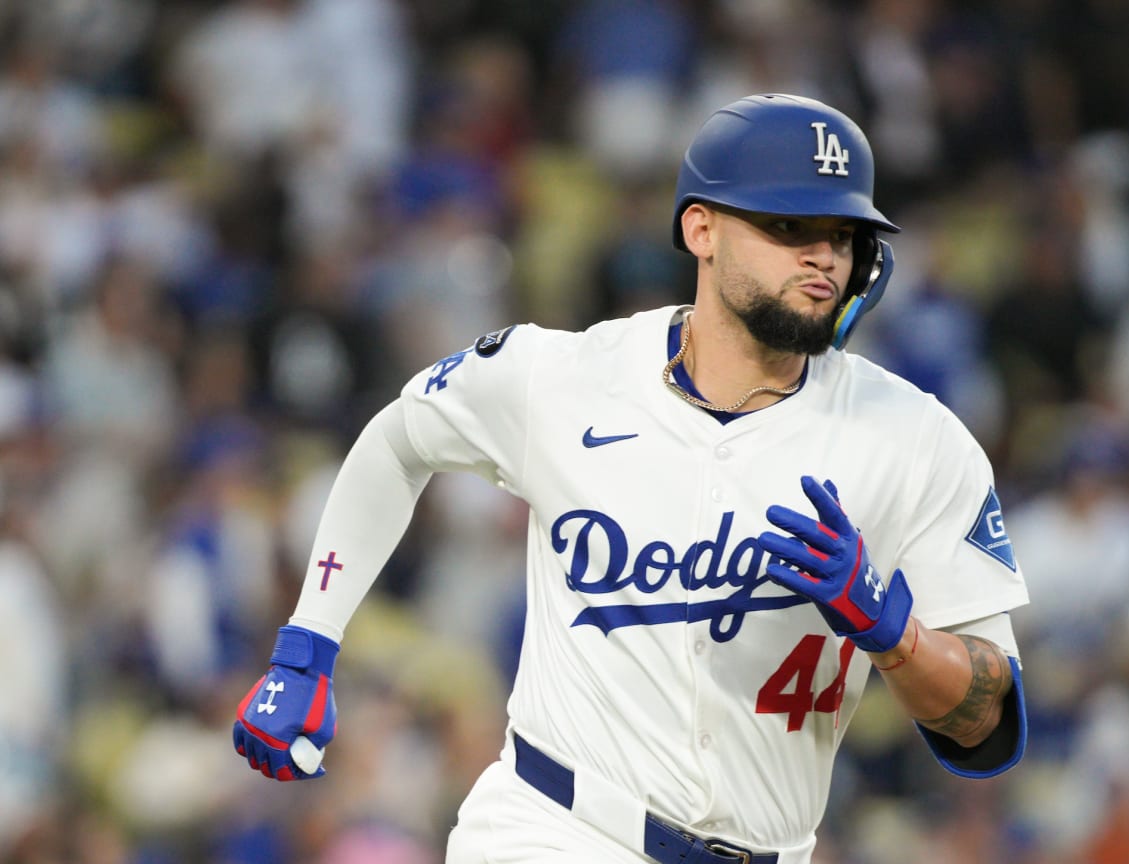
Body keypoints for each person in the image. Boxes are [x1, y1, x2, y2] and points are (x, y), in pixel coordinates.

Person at [232, 93, 1031, 864]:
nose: (823, 255)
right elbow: (395, 442)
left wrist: (895, 638)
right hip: (555, 831)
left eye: (844, 233)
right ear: (701, 229)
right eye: (790, 225)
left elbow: (986, 720)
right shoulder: (561, 376)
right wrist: (308, 645)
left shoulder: (917, 440)